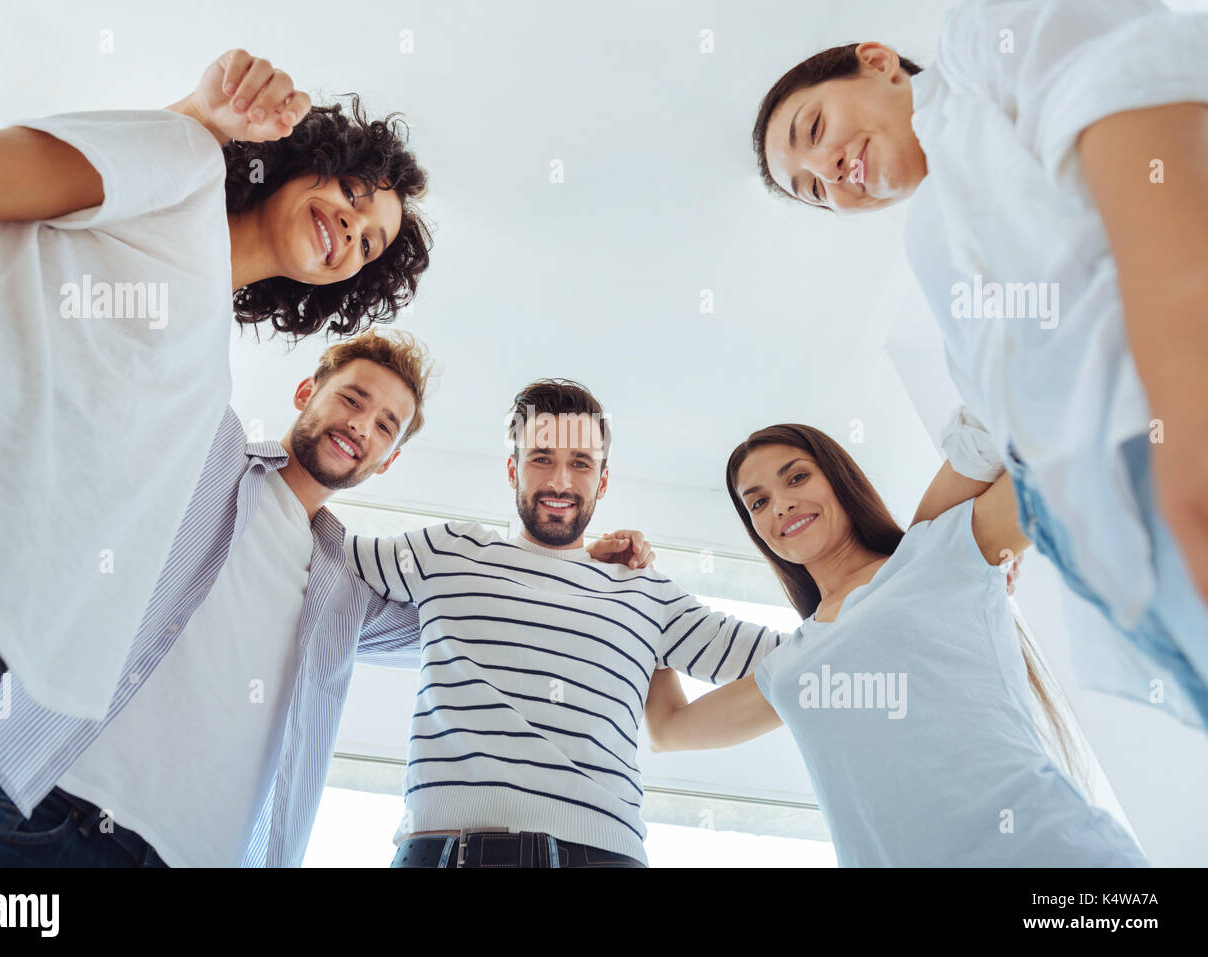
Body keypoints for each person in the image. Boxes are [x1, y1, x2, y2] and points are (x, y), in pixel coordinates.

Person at [0, 49, 433, 851]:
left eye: (367, 243)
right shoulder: (182, 166)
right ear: (311, 163)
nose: (352, 231)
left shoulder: (202, 373)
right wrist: (196, 114)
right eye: (355, 197)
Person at [748, 0, 1208, 728]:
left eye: (814, 132)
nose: (829, 172)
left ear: (877, 61)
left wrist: (1186, 411)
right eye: (814, 189)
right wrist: (902, 572)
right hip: (1116, 554)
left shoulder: (976, 44)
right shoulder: (934, 239)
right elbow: (990, 431)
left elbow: (1132, 83)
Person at [0, 330, 431, 868]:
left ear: (386, 461)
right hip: (38, 808)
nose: (360, 425)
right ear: (306, 391)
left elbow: (467, 625)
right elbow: (159, 347)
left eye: (385, 426)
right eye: (352, 398)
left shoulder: (349, 591)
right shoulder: (207, 447)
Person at [644, 423, 1149, 867]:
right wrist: (638, 590)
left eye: (797, 477)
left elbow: (1043, 455)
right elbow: (668, 729)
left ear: (839, 480)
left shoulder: (938, 553)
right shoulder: (789, 667)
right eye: (757, 502)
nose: (781, 504)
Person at [344, 379, 783, 868]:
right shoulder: (446, 551)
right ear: (513, 470)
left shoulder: (644, 590)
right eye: (541, 458)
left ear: (603, 480)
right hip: (446, 851)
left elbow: (785, 658)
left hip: (603, 855)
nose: (560, 482)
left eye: (580, 463)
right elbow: (313, 559)